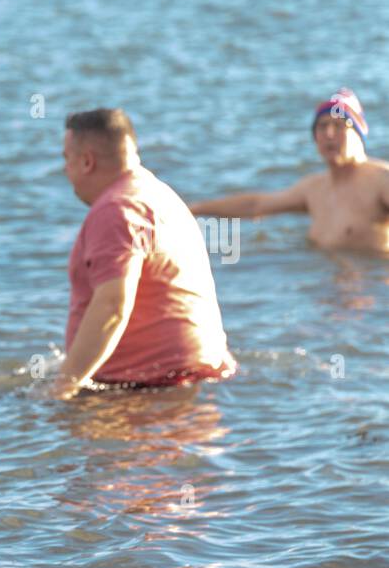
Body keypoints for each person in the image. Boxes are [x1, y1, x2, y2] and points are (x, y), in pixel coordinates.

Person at [54, 108, 236, 399]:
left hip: (152, 388)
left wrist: (62, 387)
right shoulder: (157, 193)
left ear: (87, 161)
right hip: (196, 380)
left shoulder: (116, 209)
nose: (64, 170)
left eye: (66, 159)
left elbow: (112, 308)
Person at [191, 89, 389, 253]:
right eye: (322, 126)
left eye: (338, 126)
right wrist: (195, 209)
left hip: (369, 292)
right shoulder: (314, 188)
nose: (329, 134)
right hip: (321, 292)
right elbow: (255, 206)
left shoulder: (381, 180)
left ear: (358, 133)